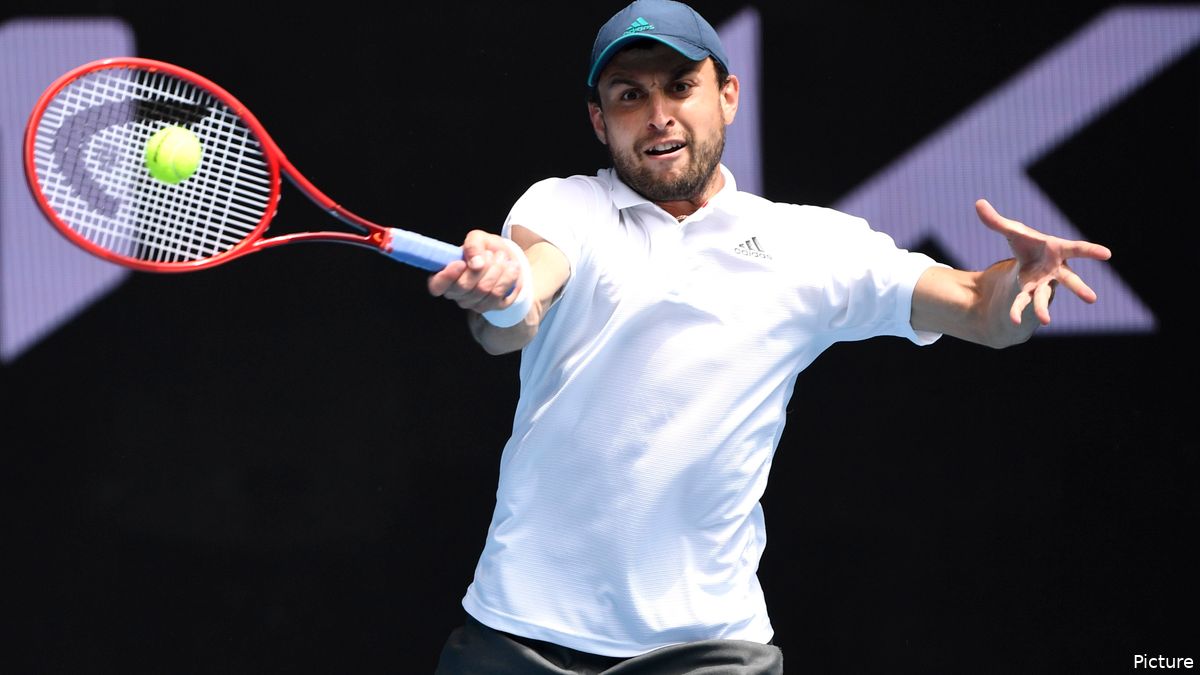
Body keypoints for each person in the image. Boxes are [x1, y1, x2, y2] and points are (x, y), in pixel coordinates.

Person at [428, 0, 1112, 672]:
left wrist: (1020, 285)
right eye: (630, 94)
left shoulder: (806, 245)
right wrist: (502, 291)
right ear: (599, 120)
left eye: (680, 86)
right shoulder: (564, 205)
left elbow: (979, 309)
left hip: (707, 650)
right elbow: (522, 304)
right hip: (518, 636)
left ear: (727, 96)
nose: (659, 114)